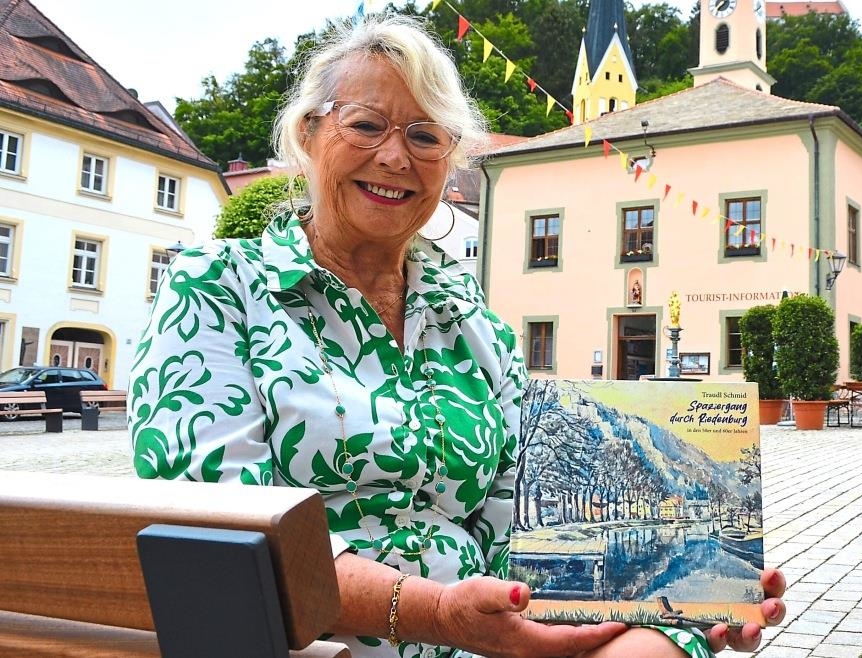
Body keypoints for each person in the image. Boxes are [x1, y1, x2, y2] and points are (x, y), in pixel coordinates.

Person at [128, 13, 785, 658]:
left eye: (424, 136)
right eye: (364, 125)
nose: (394, 157)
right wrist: (436, 613)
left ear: (449, 161)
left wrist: (679, 586)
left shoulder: (467, 318)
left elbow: (521, 518)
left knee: (670, 628)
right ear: (307, 134)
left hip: (492, 632)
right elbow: (225, 527)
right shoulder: (218, 287)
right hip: (326, 643)